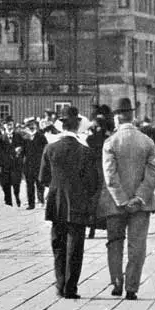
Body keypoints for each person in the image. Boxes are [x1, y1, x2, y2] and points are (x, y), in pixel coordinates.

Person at [102, 99, 155, 300]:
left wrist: (122, 199)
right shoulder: (147, 141)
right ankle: (132, 287)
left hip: (115, 204)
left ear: (117, 117)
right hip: (141, 205)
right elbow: (154, 172)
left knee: (115, 243)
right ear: (132, 116)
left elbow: (110, 175)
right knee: (137, 245)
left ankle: (117, 282)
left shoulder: (110, 142)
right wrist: (139, 197)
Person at [40, 109, 94, 299]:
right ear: (78, 125)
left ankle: (60, 284)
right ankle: (71, 288)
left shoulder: (50, 149)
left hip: (56, 203)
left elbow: (43, 178)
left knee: (58, 245)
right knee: (75, 247)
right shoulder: (85, 151)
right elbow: (93, 182)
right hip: (78, 203)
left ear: (61, 126)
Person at [21, 117, 49, 210]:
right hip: (28, 165)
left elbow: (46, 149)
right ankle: (31, 204)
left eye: (32, 124)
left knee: (39, 183)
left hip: (39, 164)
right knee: (29, 185)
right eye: (29, 125)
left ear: (36, 125)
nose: (31, 127)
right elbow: (22, 152)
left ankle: (41, 201)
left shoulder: (41, 136)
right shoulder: (25, 138)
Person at [0, 121, 20, 206]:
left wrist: (21, 150)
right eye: (7, 125)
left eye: (11, 125)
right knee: (5, 184)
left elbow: (24, 147)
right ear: (4, 126)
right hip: (4, 165)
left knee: (16, 183)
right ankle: (8, 201)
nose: (9, 127)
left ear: (13, 126)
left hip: (16, 164)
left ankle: (17, 197)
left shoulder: (19, 137)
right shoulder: (0, 139)